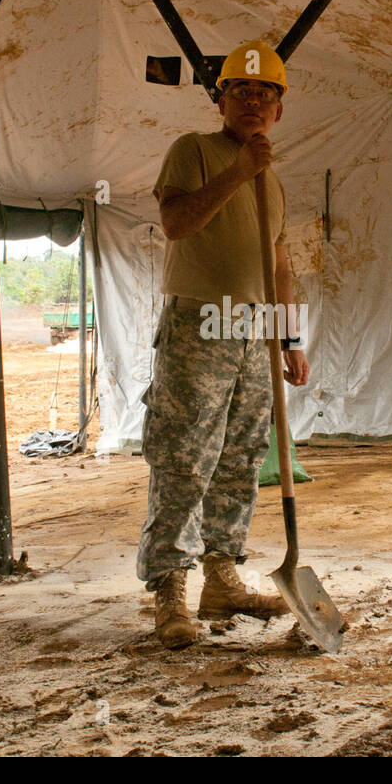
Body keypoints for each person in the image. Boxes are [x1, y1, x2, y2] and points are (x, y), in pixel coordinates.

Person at [138, 39, 311, 649]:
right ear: (221, 99)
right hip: (199, 323)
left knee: (240, 457)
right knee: (185, 455)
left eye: (267, 93)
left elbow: (280, 261)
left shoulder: (278, 183)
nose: (254, 100)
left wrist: (289, 335)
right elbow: (178, 223)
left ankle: (222, 578)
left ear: (279, 111)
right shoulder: (195, 152)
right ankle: (170, 590)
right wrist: (241, 172)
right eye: (242, 89)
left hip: (253, 333)